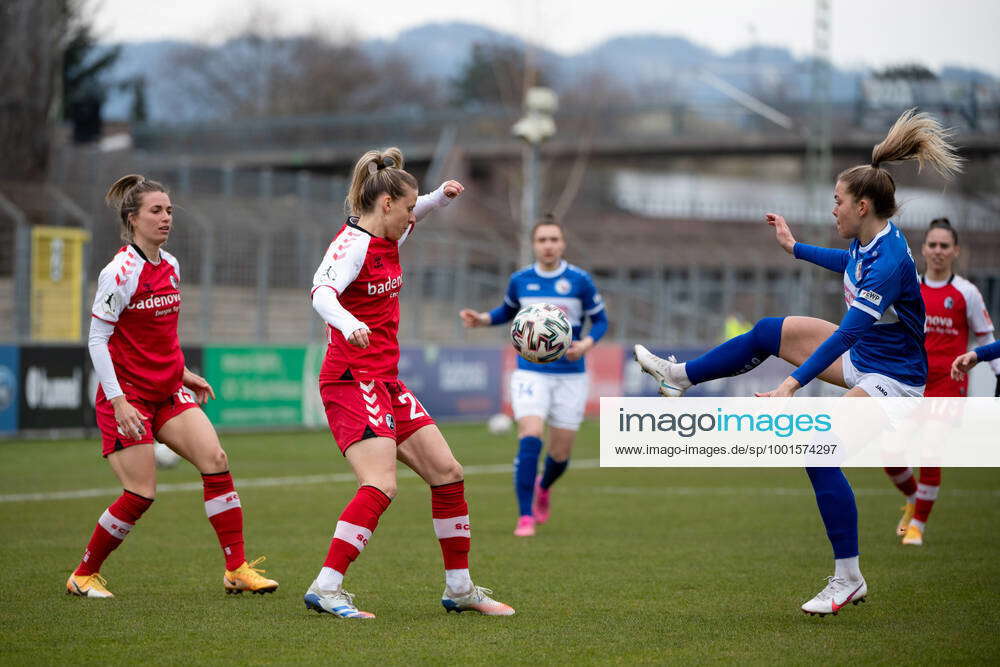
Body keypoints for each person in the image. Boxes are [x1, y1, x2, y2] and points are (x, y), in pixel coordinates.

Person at [633, 109, 962, 616]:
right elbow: (848, 264)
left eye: (837, 201)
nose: (833, 210)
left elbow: (848, 332)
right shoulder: (872, 240)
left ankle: (848, 579)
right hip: (866, 358)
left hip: (894, 381)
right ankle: (676, 377)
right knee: (769, 331)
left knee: (819, 450)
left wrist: (792, 384)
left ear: (863, 206)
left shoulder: (891, 261)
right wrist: (795, 249)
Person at [305, 147, 514, 619]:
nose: (411, 217)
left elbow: (417, 210)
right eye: (407, 208)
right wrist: (348, 323)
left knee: (448, 472)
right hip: (350, 378)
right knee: (380, 484)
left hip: (385, 379)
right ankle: (326, 587)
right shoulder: (352, 245)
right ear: (385, 205)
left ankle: (459, 589)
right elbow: (321, 292)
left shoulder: (392, 231)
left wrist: (439, 197)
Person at [67, 174, 278, 598]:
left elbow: (159, 335)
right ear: (133, 218)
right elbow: (97, 340)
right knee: (140, 494)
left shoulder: (172, 265)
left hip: (166, 390)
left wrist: (181, 372)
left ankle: (236, 569)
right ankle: (83, 575)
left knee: (216, 459)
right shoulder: (119, 272)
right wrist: (119, 401)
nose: (166, 218)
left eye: (168, 210)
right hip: (128, 398)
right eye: (156, 211)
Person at [459, 216, 607, 537]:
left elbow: (601, 321)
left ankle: (544, 486)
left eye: (554, 239)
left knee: (560, 455)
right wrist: (482, 319)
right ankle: (525, 515)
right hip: (530, 372)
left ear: (562, 243)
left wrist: (585, 344)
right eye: (542, 240)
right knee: (530, 433)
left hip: (571, 375)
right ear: (533, 244)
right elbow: (507, 311)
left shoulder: (580, 280)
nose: (548, 245)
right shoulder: (521, 280)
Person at [884, 218, 1000, 546]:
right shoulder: (909, 289)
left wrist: (998, 372)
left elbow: (985, 338)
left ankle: (918, 526)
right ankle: (913, 500)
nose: (938, 251)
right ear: (923, 250)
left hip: (949, 383)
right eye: (932, 245)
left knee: (931, 448)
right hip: (912, 383)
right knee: (890, 453)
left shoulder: (967, 293)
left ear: (955, 251)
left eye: (944, 246)